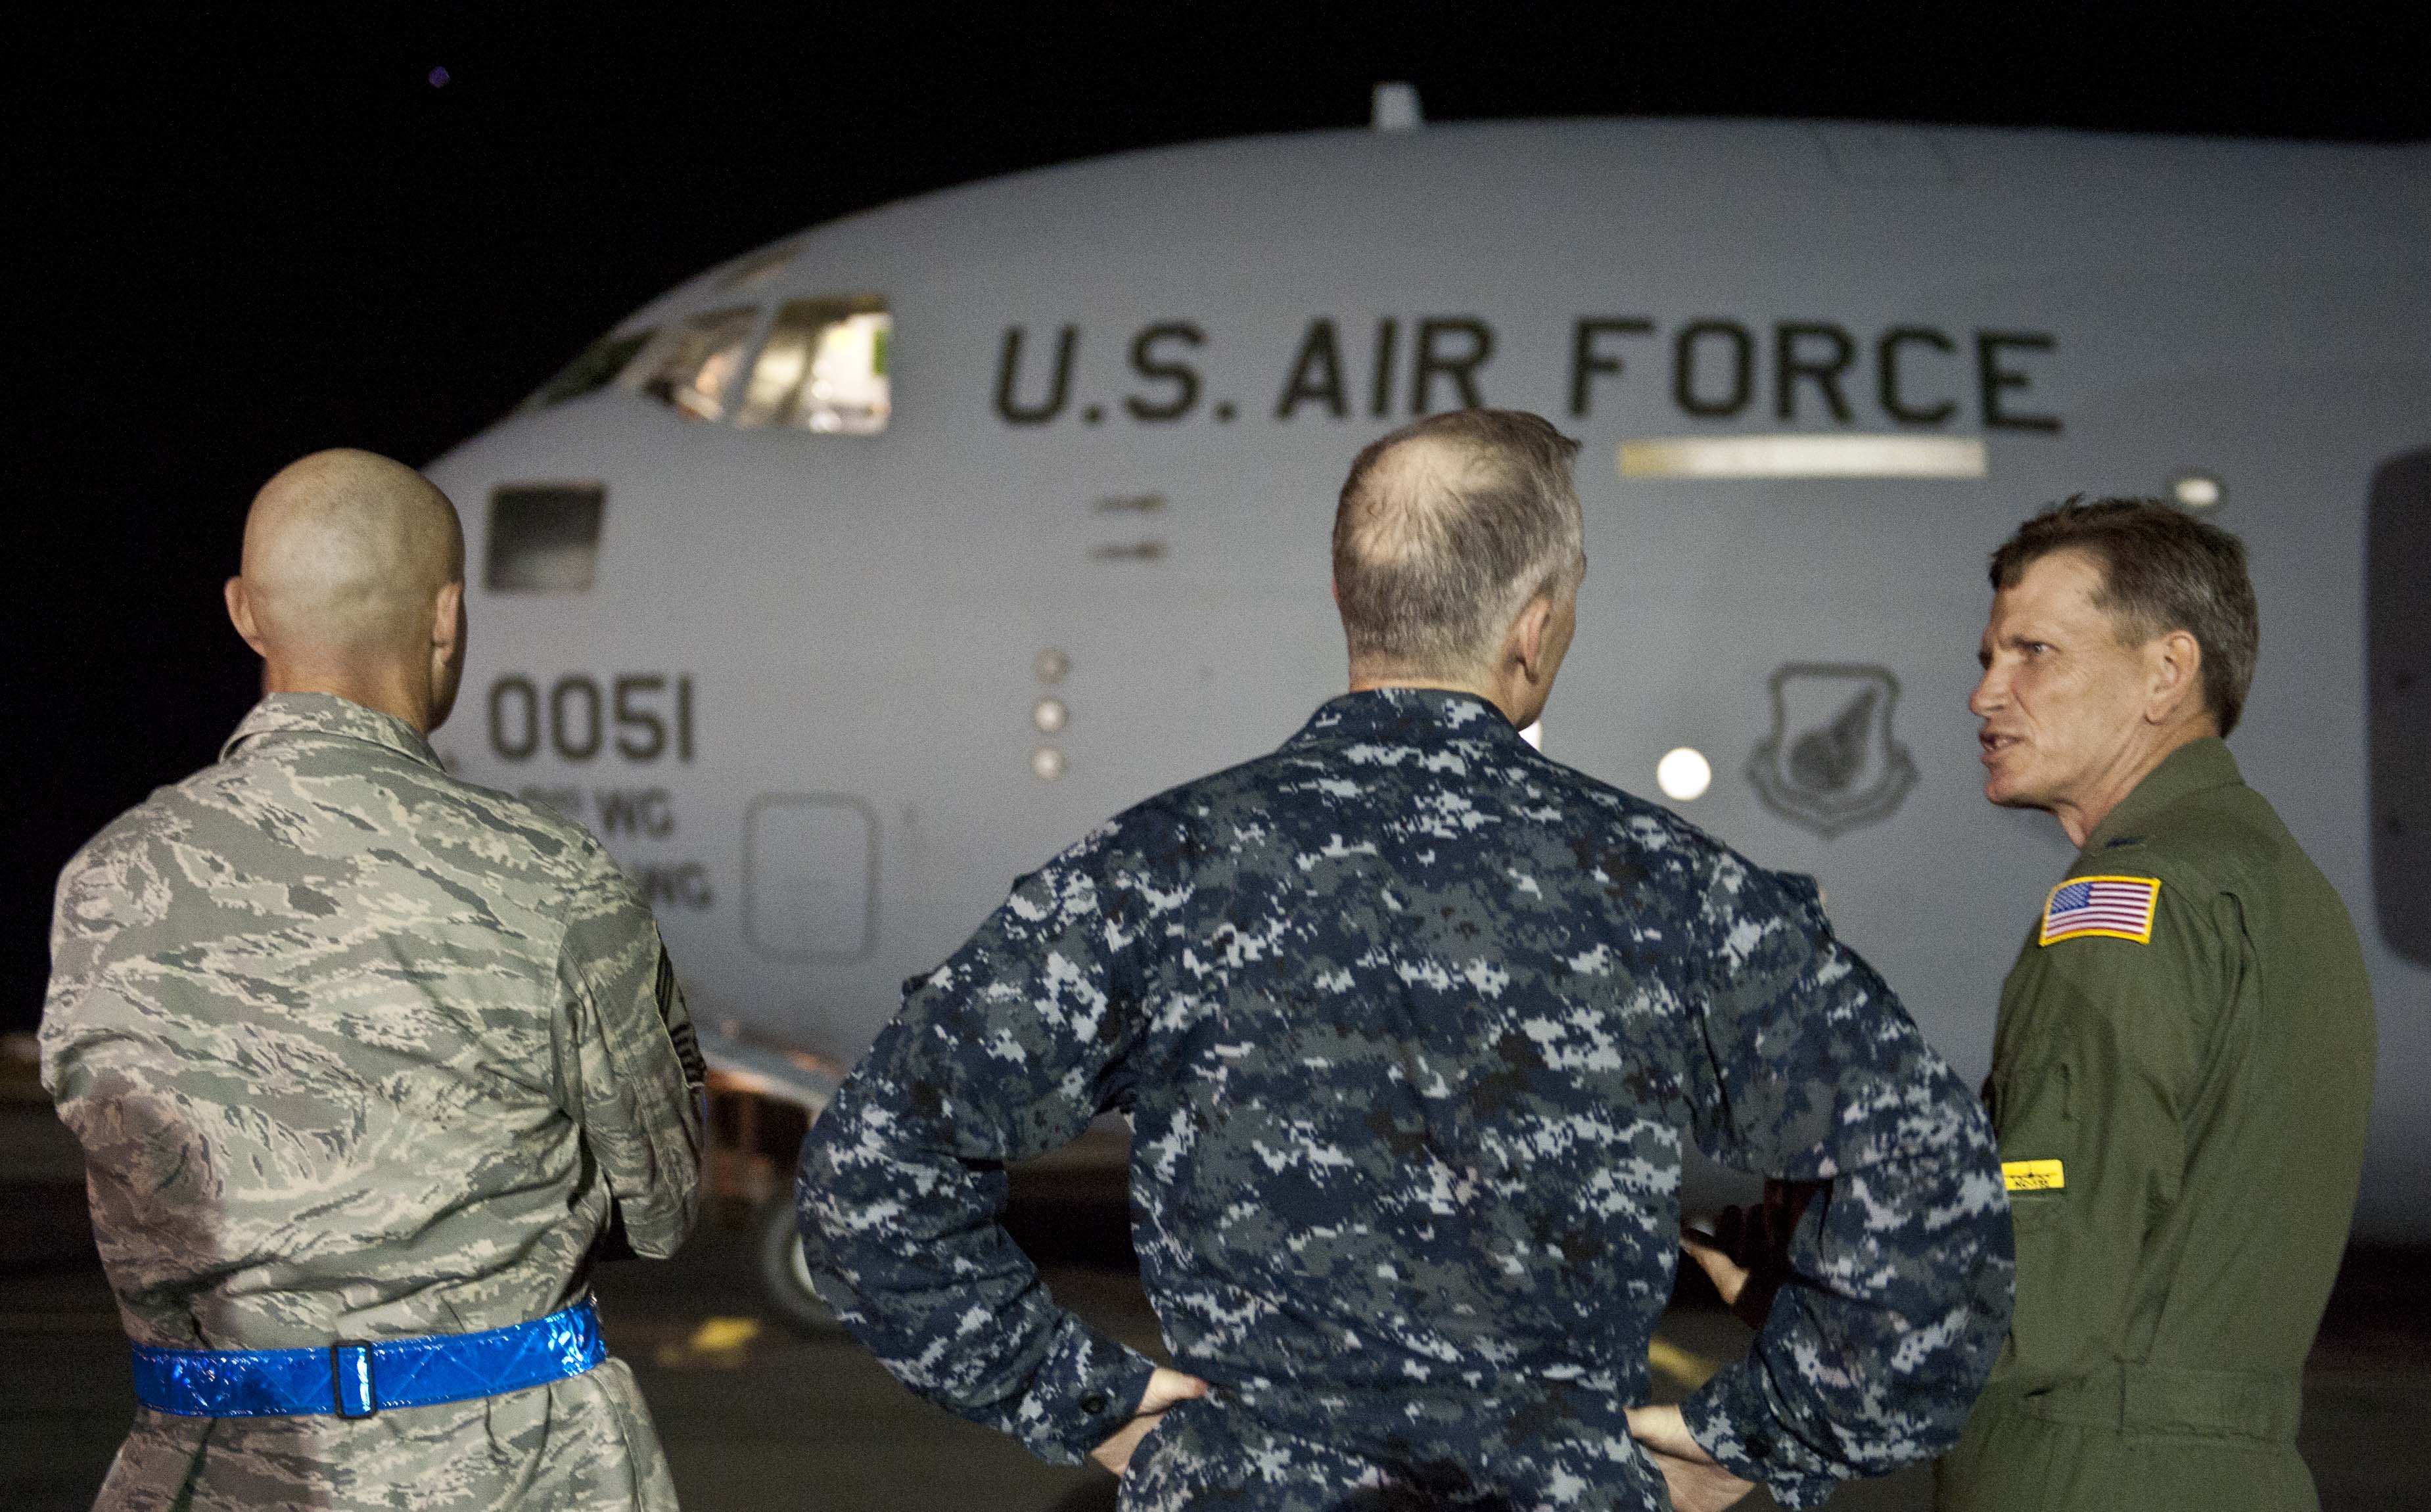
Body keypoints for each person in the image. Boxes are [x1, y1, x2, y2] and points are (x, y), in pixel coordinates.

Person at [799, 409, 2012, 1512]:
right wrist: (1756, 1437)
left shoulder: (1162, 869)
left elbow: (871, 1167)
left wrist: (1085, 1400)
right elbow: (1933, 1182)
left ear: (1352, 596)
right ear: (1535, 626)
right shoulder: (1672, 891)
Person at [40, 449, 705, 1512]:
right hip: (517, 1471)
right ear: (447, 620)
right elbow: (663, 1206)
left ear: (246, 615)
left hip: (209, 1469)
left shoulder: (105, 885)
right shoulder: (552, 882)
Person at [1933, 499, 2375, 1510]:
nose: (1984, 694)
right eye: (1990, 655)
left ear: (2167, 673)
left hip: (2092, 1475)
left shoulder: (2122, 912)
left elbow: (2037, 1296)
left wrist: (1813, 1320)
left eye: (2032, 652)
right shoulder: (2277, 887)